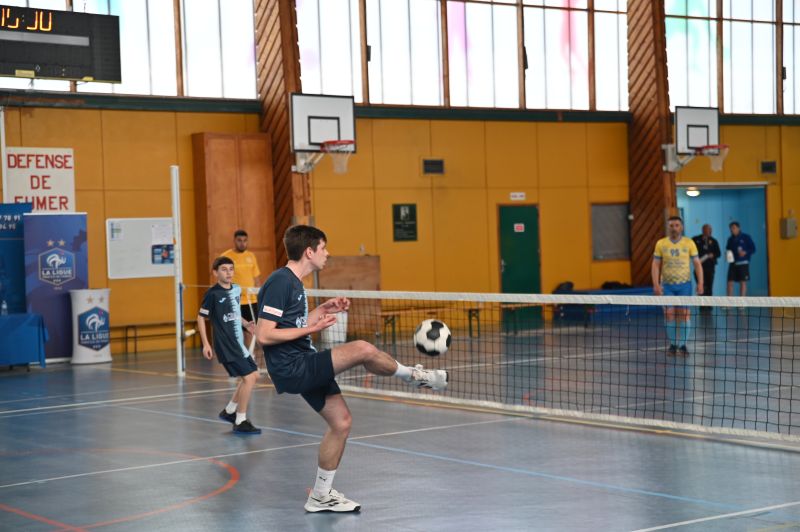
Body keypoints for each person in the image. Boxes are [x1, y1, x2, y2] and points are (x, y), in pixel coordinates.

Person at [256, 225, 448, 513]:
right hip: (293, 366)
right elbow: (265, 335)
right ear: (309, 251)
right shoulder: (281, 282)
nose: (327, 253)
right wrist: (312, 329)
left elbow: (292, 324)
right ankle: (414, 376)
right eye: (323, 248)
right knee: (362, 348)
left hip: (302, 361)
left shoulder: (295, 284)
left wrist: (323, 310)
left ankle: (321, 496)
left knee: (341, 422)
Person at [197, 256, 261, 435]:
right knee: (248, 378)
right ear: (215, 273)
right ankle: (240, 420)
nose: (228, 273)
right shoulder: (212, 294)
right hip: (226, 345)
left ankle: (230, 410)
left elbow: (235, 313)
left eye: (231, 269)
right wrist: (206, 344)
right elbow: (201, 318)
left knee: (253, 375)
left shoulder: (236, 289)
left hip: (238, 343)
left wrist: (246, 324)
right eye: (224, 269)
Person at [652, 216, 704, 356]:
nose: (674, 228)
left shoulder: (689, 243)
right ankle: (673, 344)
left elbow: (697, 264)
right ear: (668, 227)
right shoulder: (661, 243)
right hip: (667, 286)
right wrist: (656, 284)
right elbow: (655, 265)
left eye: (676, 225)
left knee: (684, 315)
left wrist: (700, 283)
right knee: (669, 314)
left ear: (681, 227)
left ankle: (683, 345)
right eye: (671, 225)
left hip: (684, 285)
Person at [222, 230, 261, 350]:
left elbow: (257, 279)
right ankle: (238, 354)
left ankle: (249, 355)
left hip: (251, 301)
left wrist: (259, 295)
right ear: (234, 241)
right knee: (235, 331)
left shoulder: (251, 256)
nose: (242, 243)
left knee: (250, 330)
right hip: (234, 301)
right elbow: (222, 279)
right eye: (239, 240)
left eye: (245, 240)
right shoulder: (226, 257)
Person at [692, 224, 721, 303]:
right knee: (701, 286)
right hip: (699, 267)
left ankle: (709, 305)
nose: (708, 231)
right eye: (706, 229)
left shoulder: (714, 241)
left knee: (709, 286)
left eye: (709, 230)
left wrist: (712, 255)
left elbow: (718, 253)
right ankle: (702, 305)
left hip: (710, 267)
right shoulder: (696, 239)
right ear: (702, 230)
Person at [726, 222, 756, 297]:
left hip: (743, 263)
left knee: (742, 282)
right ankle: (729, 301)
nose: (732, 230)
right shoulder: (730, 239)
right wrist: (727, 255)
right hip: (733, 263)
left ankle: (742, 301)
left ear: (738, 228)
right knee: (730, 282)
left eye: (734, 228)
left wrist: (745, 252)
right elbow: (728, 250)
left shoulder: (746, 237)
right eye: (731, 228)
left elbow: (753, 249)